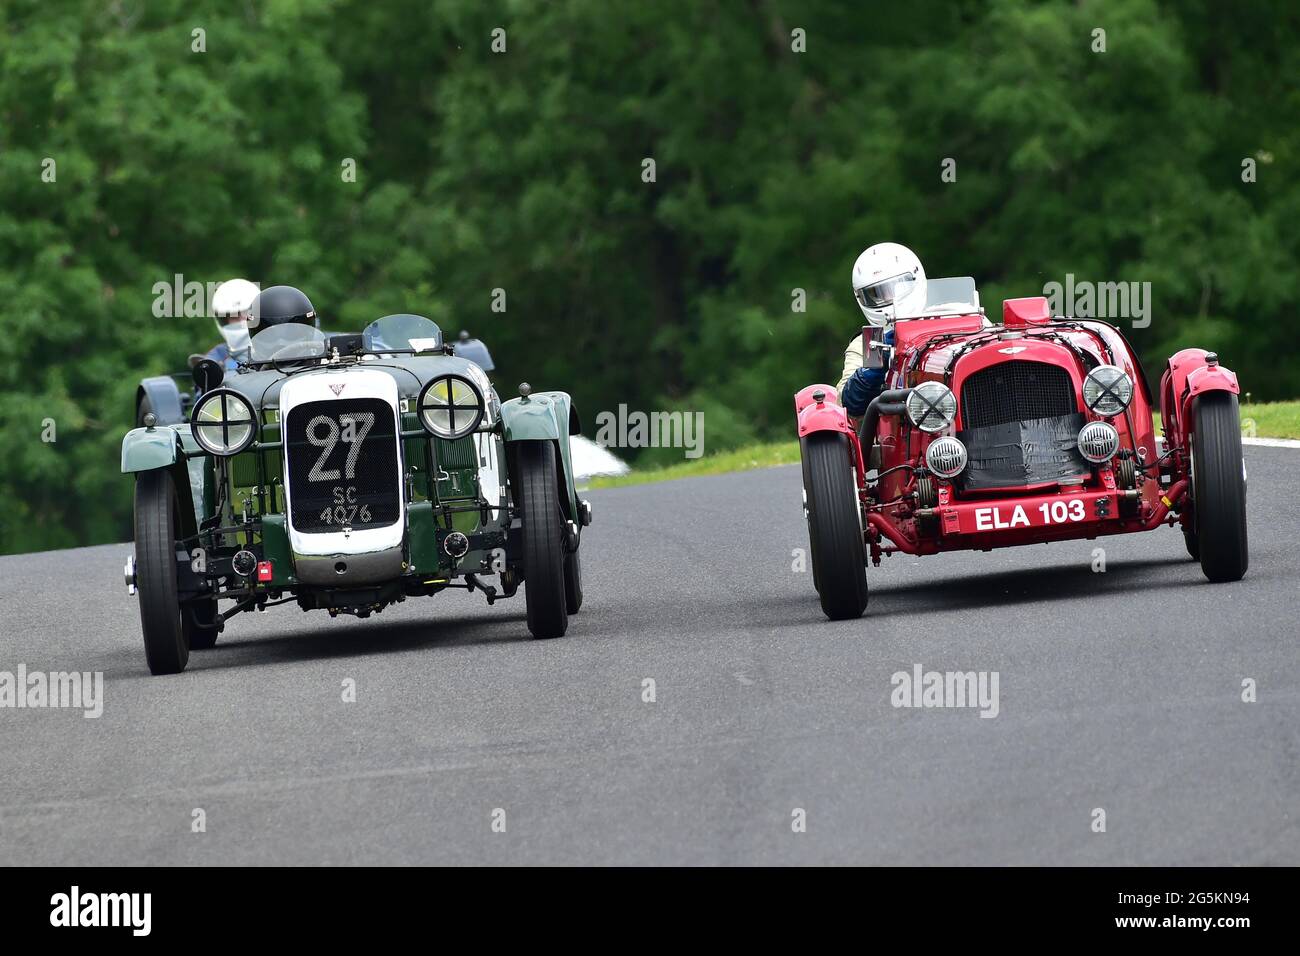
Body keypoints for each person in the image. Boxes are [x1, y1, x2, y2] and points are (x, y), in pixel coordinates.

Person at [836, 243, 928, 416]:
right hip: (898, 430)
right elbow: (846, 402)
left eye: (898, 288)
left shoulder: (954, 317)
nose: (890, 299)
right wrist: (874, 364)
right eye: (877, 294)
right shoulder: (868, 342)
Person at [206, 278, 261, 369]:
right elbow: (207, 365)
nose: (242, 320)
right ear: (224, 320)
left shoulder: (275, 345)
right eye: (234, 316)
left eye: (246, 313)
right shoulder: (219, 354)